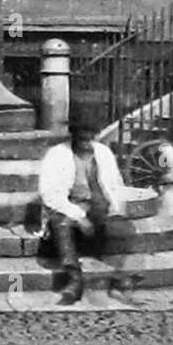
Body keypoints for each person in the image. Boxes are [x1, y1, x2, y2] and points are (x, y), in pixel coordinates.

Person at [38, 102, 131, 304]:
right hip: (70, 206)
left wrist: (117, 209)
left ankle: (116, 278)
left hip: (99, 206)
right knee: (62, 223)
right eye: (82, 138)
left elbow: (115, 185)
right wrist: (79, 217)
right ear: (74, 135)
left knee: (122, 228)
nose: (87, 143)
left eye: (91, 137)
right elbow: (50, 195)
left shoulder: (103, 153)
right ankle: (74, 278)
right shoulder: (57, 155)